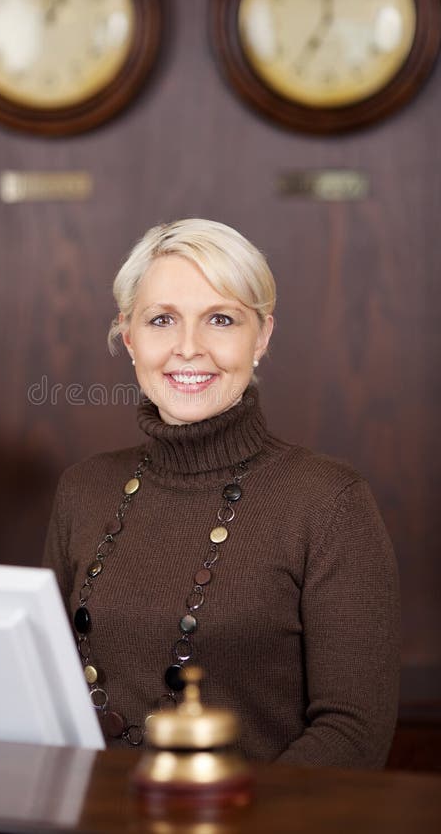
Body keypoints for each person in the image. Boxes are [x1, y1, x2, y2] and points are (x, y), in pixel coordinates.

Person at [43, 218, 400, 768]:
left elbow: (354, 732)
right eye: (162, 320)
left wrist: (222, 808)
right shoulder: (83, 489)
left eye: (221, 319)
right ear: (130, 337)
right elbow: (44, 688)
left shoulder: (329, 501)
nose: (189, 348)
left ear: (262, 337)